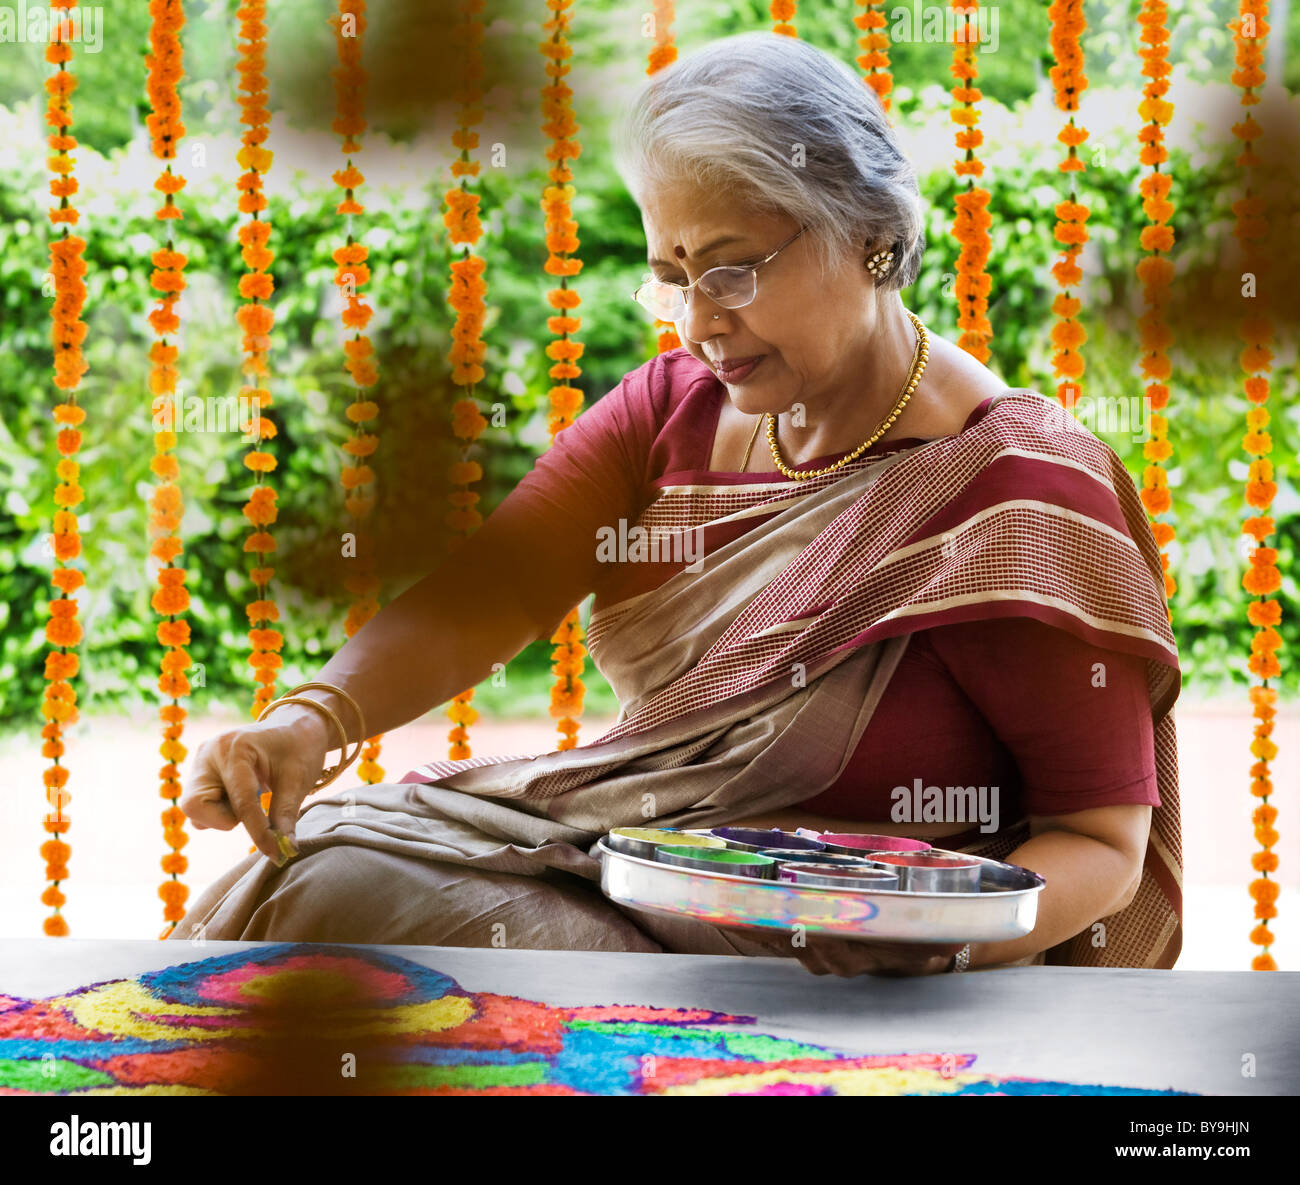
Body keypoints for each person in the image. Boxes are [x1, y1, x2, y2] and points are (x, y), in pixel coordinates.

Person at [175, 32, 1182, 975]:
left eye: (734, 271)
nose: (700, 323)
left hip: (859, 979)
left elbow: (1102, 845)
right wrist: (307, 725)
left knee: (425, 942)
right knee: (328, 880)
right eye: (672, 278)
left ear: (871, 236)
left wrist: (923, 940)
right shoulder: (673, 411)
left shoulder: (1011, 492)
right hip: (629, 893)